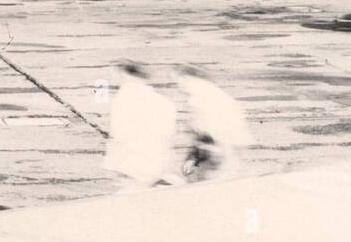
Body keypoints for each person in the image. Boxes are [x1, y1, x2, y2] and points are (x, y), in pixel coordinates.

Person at [102, 61, 178, 190]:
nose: (112, 79)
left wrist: (112, 164)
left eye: (113, 75)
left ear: (123, 74)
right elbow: (169, 132)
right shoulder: (161, 99)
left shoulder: (123, 98)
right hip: (157, 158)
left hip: (132, 162)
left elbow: (120, 133)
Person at [177, 65, 253, 181]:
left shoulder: (212, 101)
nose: (184, 93)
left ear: (193, 80)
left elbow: (218, 139)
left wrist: (195, 158)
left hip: (219, 163)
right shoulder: (207, 98)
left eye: (184, 85)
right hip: (218, 160)